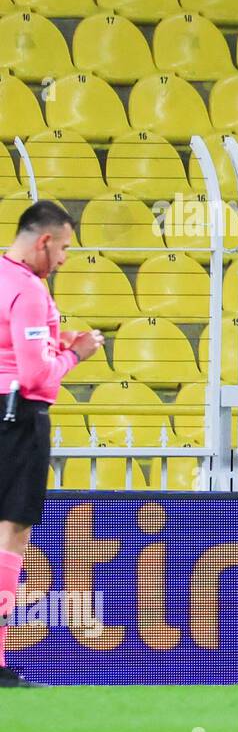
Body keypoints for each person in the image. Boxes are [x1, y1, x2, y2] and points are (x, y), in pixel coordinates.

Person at [0, 201, 103, 688]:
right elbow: (37, 375)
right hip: (17, 416)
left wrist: (56, 348)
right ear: (43, 241)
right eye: (63, 248)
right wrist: (76, 355)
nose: (64, 258)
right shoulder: (29, 289)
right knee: (11, 534)